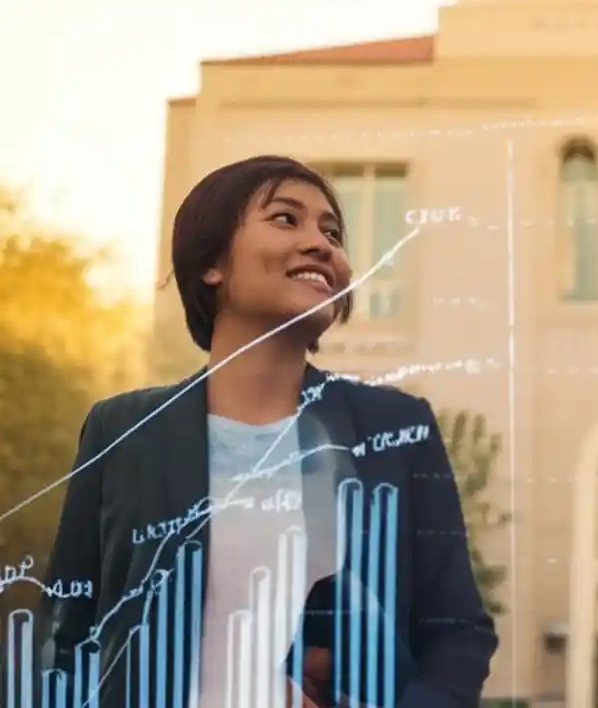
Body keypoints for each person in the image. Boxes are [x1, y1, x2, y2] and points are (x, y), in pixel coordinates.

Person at [38, 155, 498, 707]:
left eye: (332, 231)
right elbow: (64, 635)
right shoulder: (121, 432)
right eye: (287, 219)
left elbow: (457, 632)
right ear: (212, 264)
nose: (321, 244)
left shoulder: (397, 430)